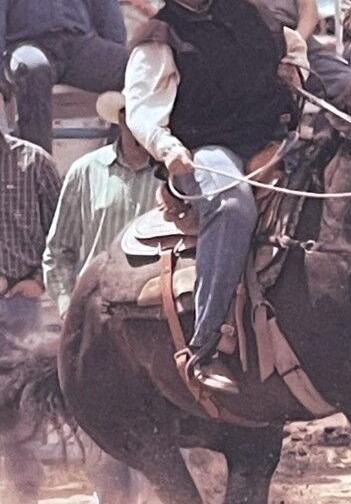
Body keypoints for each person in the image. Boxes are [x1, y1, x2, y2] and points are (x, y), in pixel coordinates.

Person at [124, 0, 307, 393]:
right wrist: (167, 147)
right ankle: (207, 343)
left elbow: (291, 56)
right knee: (231, 205)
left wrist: (297, 73)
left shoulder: (253, 14)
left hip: (274, 139)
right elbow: (141, 108)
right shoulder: (160, 35)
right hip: (206, 150)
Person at [43, 92, 160, 318]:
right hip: (96, 306)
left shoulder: (174, 177)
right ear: (122, 119)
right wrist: (68, 305)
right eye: (134, 115)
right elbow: (59, 249)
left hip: (153, 304)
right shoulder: (85, 171)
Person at [0, 134, 60, 504]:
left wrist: (39, 280)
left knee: (18, 404)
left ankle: (25, 493)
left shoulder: (34, 162)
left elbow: (60, 231)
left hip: (23, 303)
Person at [2, 0, 128, 153]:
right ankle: (38, 168)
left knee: (132, 67)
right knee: (34, 70)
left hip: (77, 44)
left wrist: (115, 49)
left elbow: (106, 10)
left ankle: (114, 156)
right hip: (27, 44)